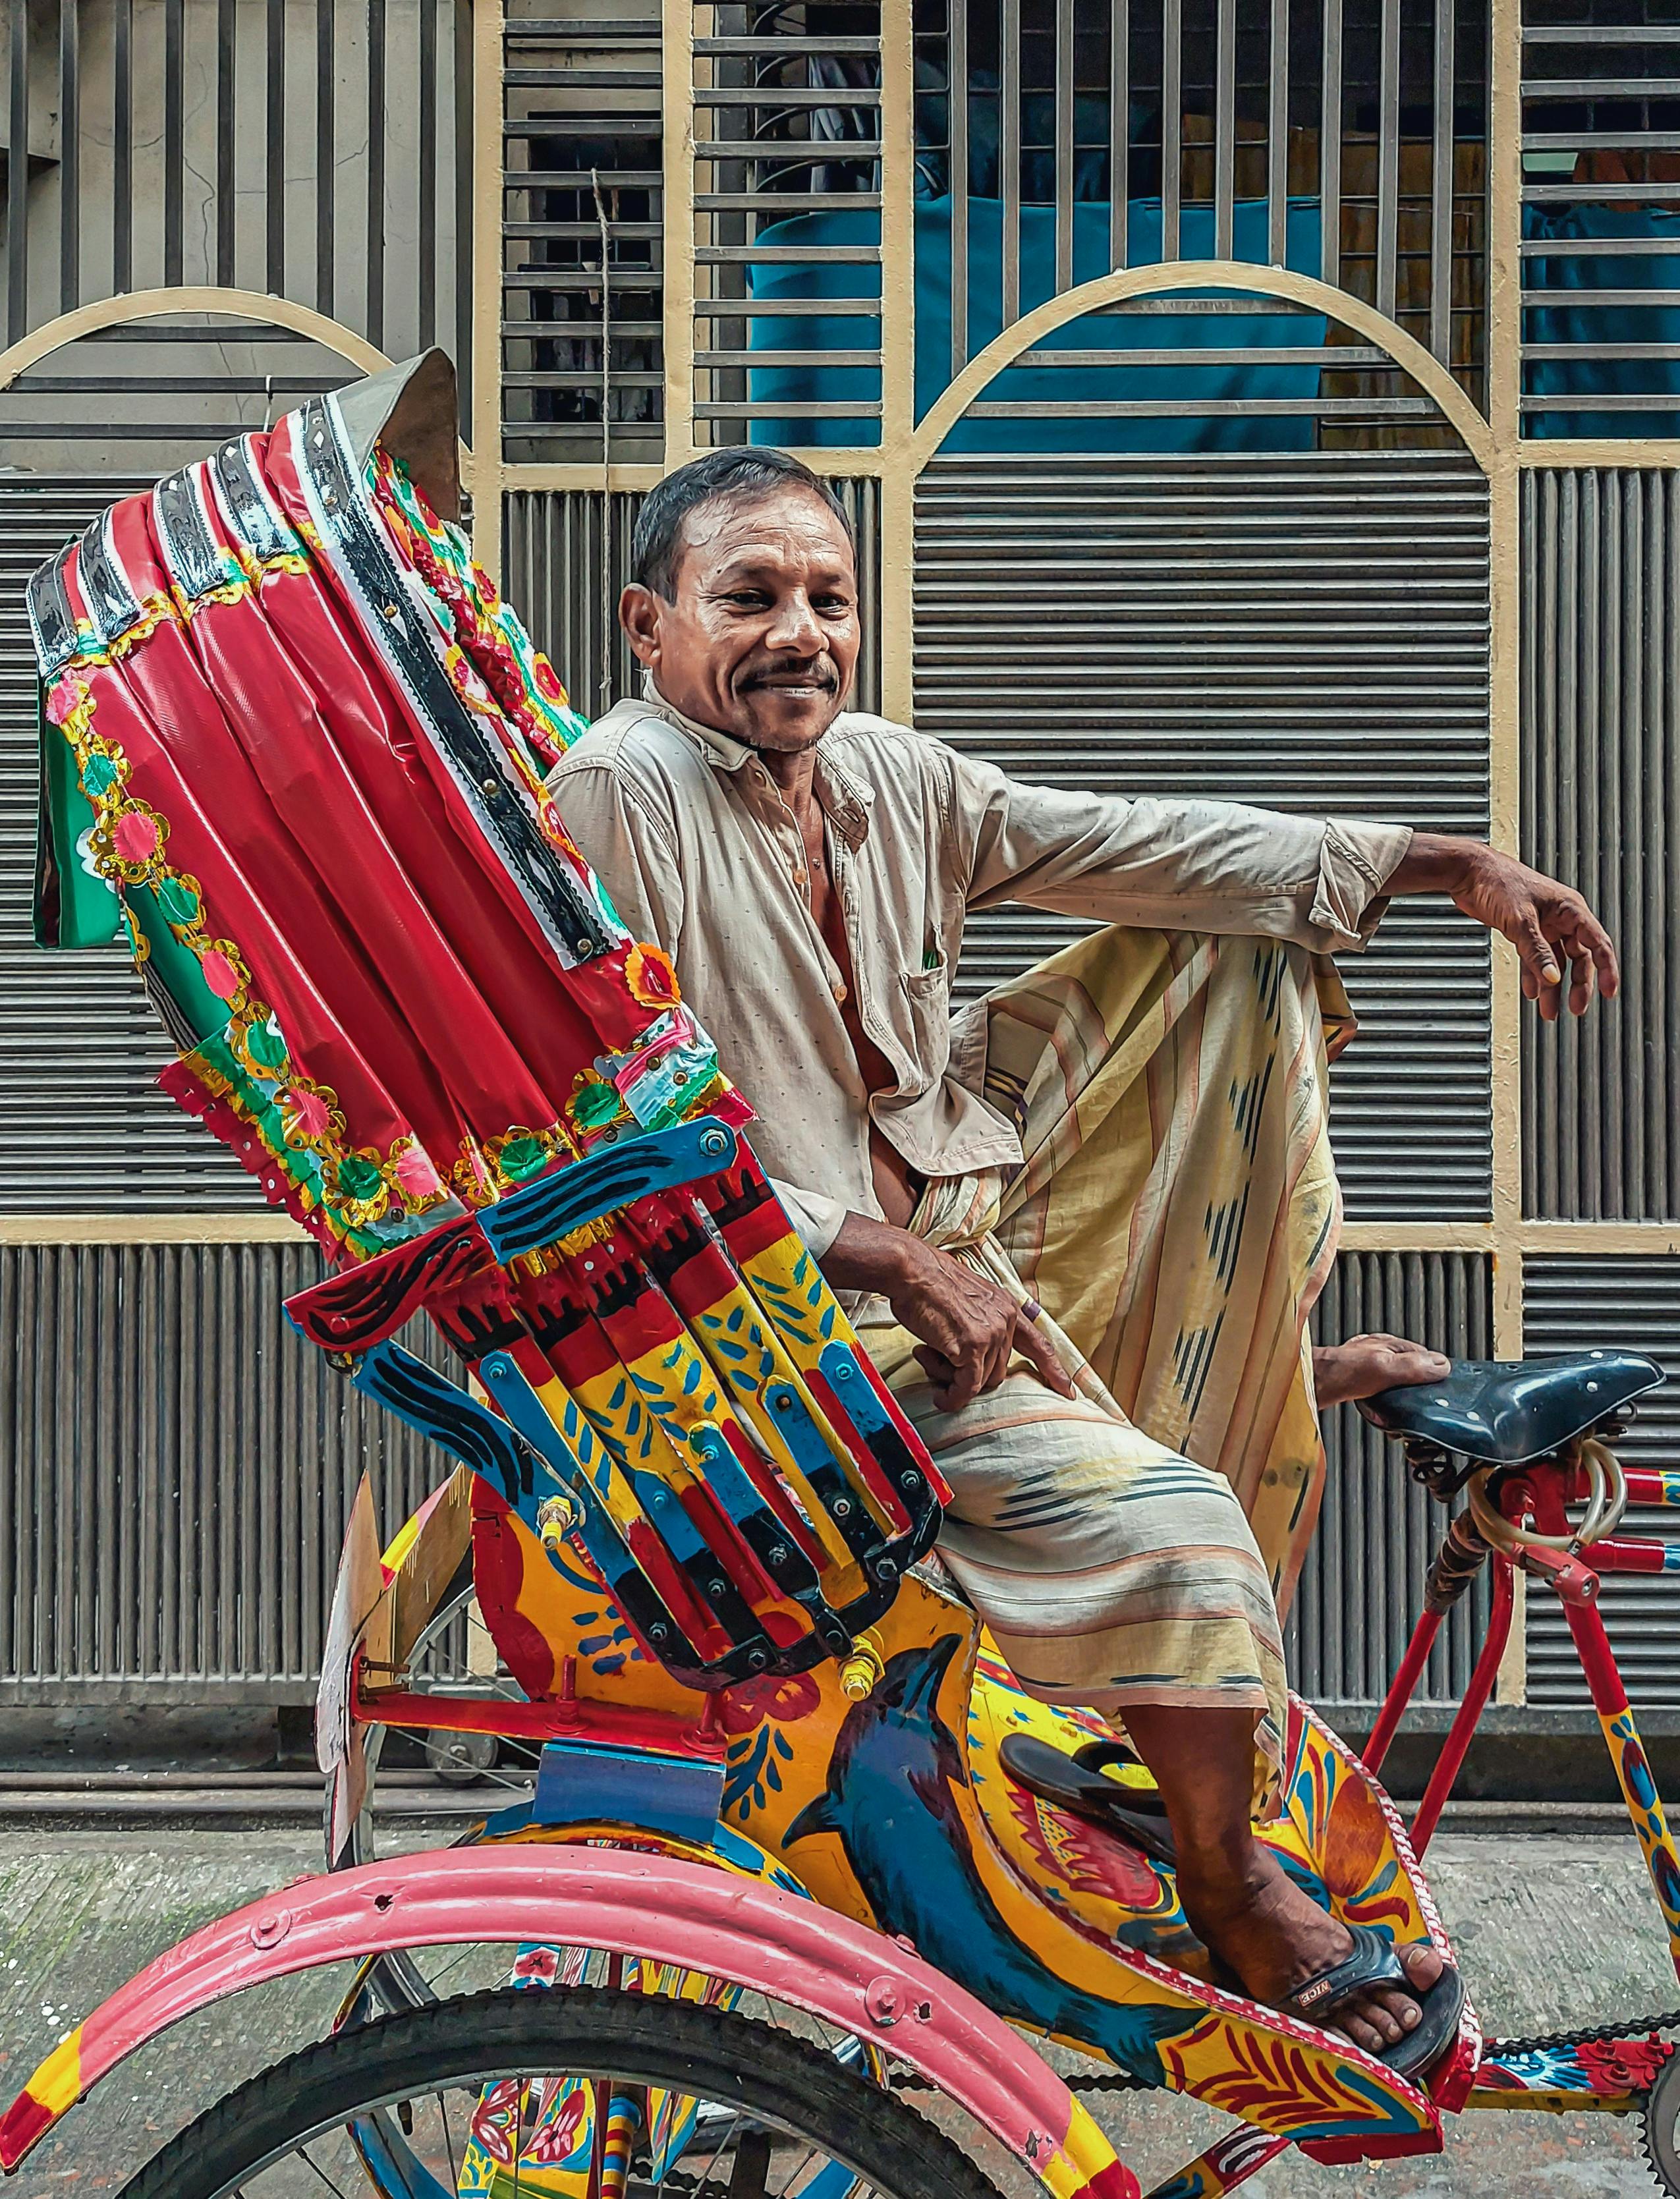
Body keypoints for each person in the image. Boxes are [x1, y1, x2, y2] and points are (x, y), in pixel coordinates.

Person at [548, 446, 1617, 2056]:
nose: (799, 634)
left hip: (953, 1210)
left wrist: (1441, 860)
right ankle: (1227, 1875)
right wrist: (888, 1261)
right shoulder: (627, 780)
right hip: (785, 1313)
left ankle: (1226, 1351)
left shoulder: (890, 778)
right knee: (1194, 1532)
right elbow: (618, 1135)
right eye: (748, 597)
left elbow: (1141, 838)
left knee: (1229, 950)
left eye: (828, 600)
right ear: (650, 622)